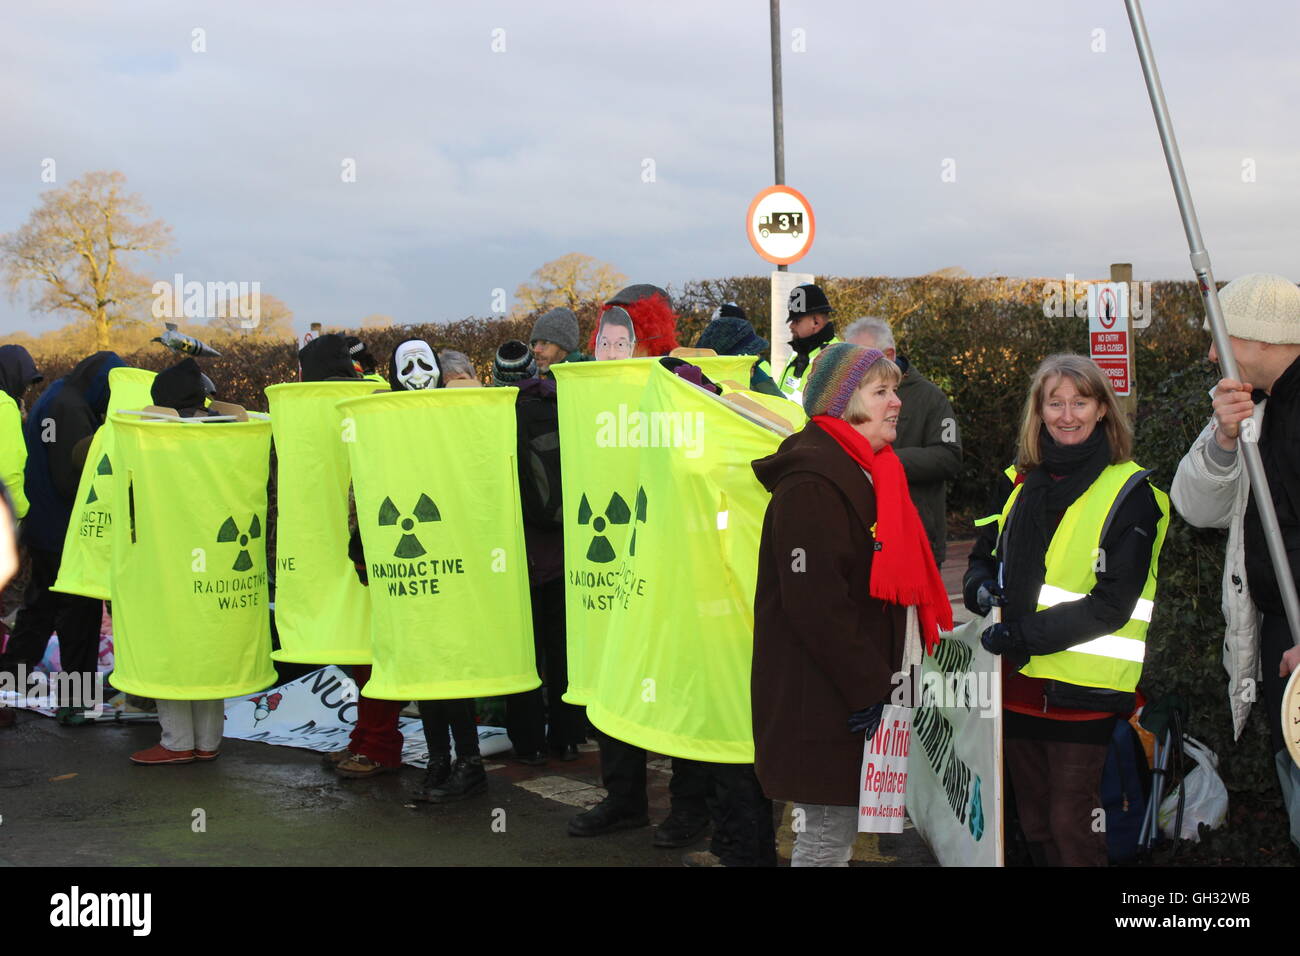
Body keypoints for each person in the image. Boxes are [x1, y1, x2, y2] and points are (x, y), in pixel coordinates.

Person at [751, 343, 951, 866]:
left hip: (844, 694)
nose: (897, 403)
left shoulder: (867, 470)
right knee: (822, 837)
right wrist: (872, 685)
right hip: (822, 698)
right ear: (842, 404)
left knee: (832, 835)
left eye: (895, 391)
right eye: (880, 392)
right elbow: (815, 605)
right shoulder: (813, 482)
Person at [964, 353, 1167, 867]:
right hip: (1015, 683)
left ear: (1103, 409)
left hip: (1084, 689)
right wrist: (979, 587)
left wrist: (1021, 636)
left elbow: (1112, 606)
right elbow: (982, 557)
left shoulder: (1131, 493)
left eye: (1081, 401)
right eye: (1055, 403)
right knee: (1032, 823)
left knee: (1070, 823)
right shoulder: (1016, 481)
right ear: (1039, 411)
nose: (1067, 414)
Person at [568, 313, 710, 847]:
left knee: (675, 683)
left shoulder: (678, 384)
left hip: (670, 561)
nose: (609, 350)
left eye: (621, 341)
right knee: (612, 677)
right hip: (609, 565)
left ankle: (690, 807)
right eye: (603, 341)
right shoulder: (582, 395)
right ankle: (625, 800)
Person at [1170, 273, 1300, 846]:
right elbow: (1196, 508)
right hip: (1278, 632)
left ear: (1261, 338)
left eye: (1221, 337)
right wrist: (1224, 440)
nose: (1209, 352)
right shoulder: (1255, 410)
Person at [296, 334, 408, 780]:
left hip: (369, 547)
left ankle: (379, 746)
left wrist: (361, 547)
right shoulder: (363, 400)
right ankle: (366, 737)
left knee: (372, 652)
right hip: (359, 545)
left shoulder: (354, 407)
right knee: (361, 647)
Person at [0, 351, 124, 724]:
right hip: (65, 534)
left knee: (39, 612)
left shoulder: (57, 395)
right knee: (79, 620)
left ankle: (8, 688)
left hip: (43, 528)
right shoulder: (70, 409)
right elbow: (71, 477)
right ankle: (76, 703)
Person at [130, 358, 233, 765]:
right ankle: (208, 741)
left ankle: (176, 742)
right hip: (222, 556)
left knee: (170, 643)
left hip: (173, 558)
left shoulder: (159, 440)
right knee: (210, 642)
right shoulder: (231, 434)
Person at [495, 343, 584, 764]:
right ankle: (568, 735)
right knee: (562, 646)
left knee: (522, 651)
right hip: (564, 547)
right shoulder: (564, 404)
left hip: (518, 554)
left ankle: (527, 742)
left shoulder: (494, 417)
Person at [844, 316, 962, 565]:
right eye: (851, 359)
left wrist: (884, 462)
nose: (855, 368)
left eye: (863, 358)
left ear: (889, 354)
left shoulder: (931, 398)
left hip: (916, 537)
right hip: (866, 534)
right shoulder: (849, 395)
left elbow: (949, 457)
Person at [695, 303, 783, 397]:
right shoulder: (707, 395)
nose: (756, 357)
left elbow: (782, 404)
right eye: (748, 353)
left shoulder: (755, 373)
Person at [776, 283, 840, 403]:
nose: (791, 326)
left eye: (796, 321)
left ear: (816, 322)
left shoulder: (834, 357)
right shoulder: (799, 353)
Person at [0, 345, 42, 523]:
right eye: (26, 384)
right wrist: (20, 511)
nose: (26, 391)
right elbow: (8, 471)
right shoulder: (4, 406)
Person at [530, 307, 582, 375]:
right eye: (534, 343)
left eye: (545, 342)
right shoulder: (538, 379)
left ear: (565, 346)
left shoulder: (588, 376)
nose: (536, 350)